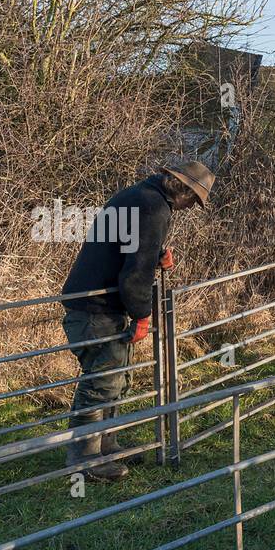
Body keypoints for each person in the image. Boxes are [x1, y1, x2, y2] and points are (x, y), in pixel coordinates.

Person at [59, 162, 213, 480]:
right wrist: (143, 314)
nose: (190, 208)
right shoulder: (154, 206)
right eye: (192, 200)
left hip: (92, 301)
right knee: (101, 383)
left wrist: (155, 253)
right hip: (96, 307)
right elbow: (135, 273)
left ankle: (105, 445)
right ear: (181, 189)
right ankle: (85, 461)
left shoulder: (139, 195)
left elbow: (127, 247)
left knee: (115, 379)